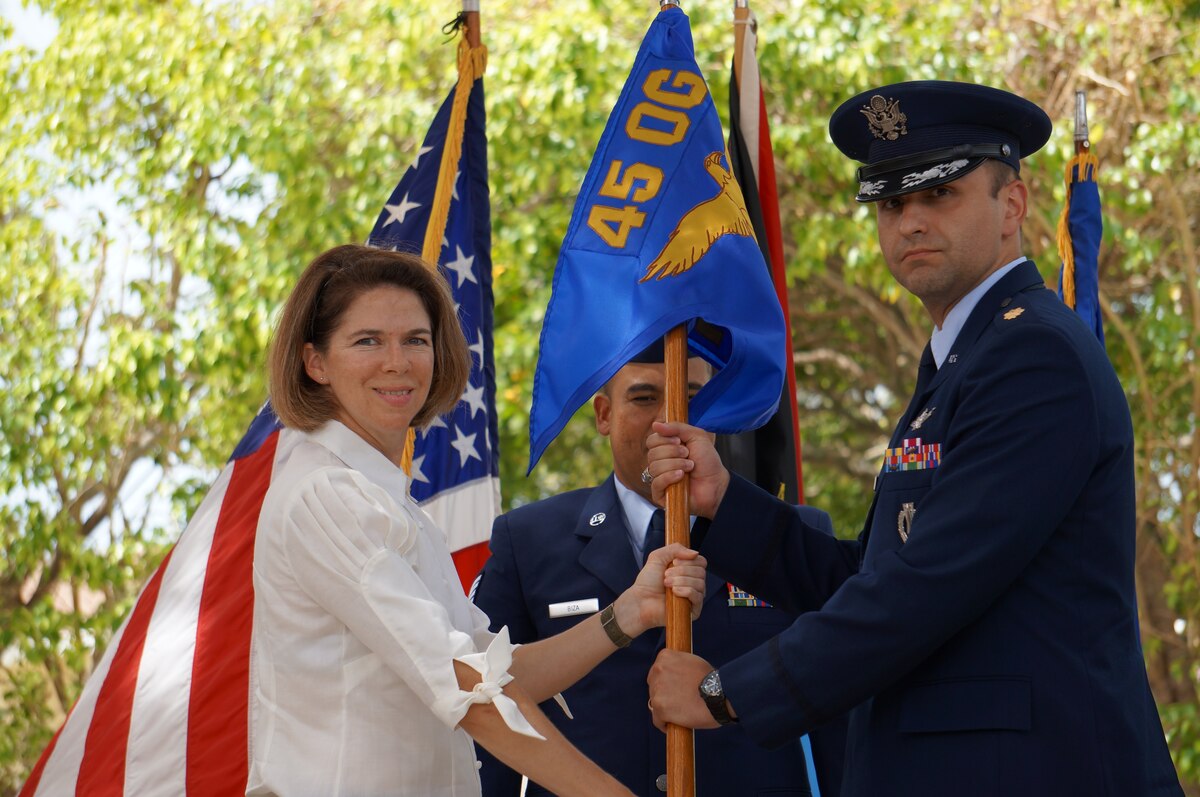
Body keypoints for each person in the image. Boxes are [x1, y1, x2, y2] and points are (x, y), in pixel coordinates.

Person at [643, 81, 1184, 796]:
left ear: (1012, 206)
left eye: (942, 195)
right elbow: (873, 573)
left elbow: (922, 588)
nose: (912, 222)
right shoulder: (964, 359)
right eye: (893, 204)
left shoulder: (1035, 358)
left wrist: (725, 692)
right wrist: (725, 503)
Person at [246, 244, 708, 797]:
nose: (397, 362)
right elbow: (469, 687)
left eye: (416, 340)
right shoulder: (326, 493)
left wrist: (627, 614)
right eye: (368, 340)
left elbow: (497, 671)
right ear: (314, 361)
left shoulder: (378, 495)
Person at [472, 343, 845, 796]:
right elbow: (485, 712)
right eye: (645, 398)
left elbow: (839, 710)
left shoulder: (792, 537)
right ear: (604, 414)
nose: (668, 421)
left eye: (692, 398)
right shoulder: (528, 540)